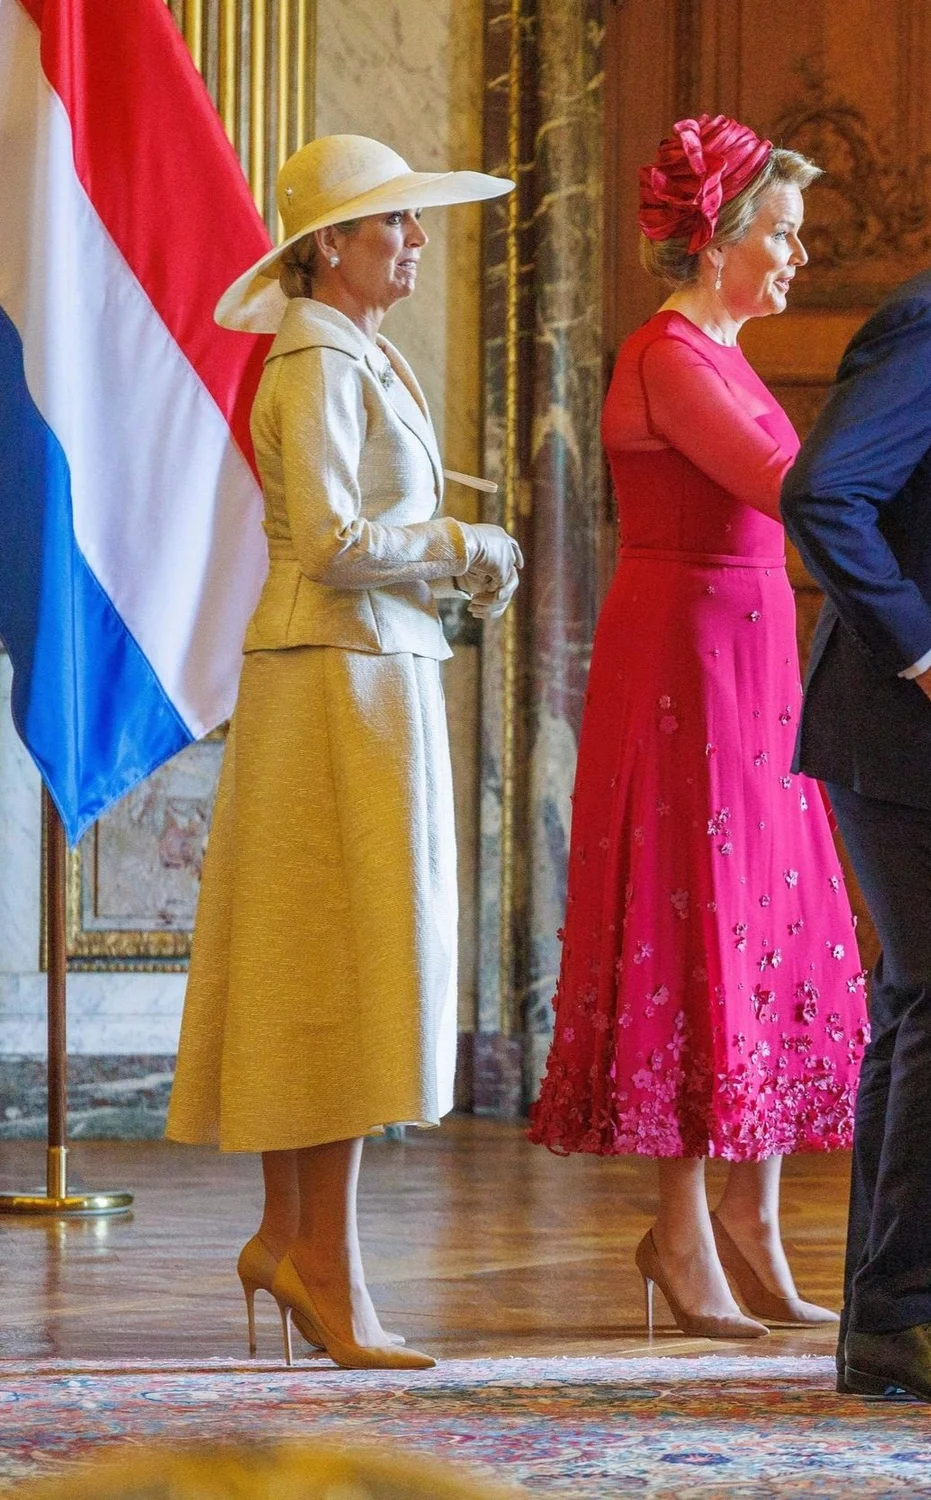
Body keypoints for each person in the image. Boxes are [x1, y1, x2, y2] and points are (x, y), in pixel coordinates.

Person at [165, 134, 520, 1371]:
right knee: (340, 967)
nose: (414, 242)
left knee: (336, 967)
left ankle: (293, 1241)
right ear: (328, 247)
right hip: (334, 680)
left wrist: (449, 561)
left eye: (415, 225)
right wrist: (465, 548)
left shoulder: (356, 350)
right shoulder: (316, 357)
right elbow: (326, 539)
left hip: (367, 679)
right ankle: (318, 1262)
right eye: (393, 226)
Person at [529, 115, 868, 1340]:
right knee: (696, 916)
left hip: (750, 657)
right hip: (682, 663)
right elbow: (792, 491)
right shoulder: (671, 354)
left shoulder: (719, 348)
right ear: (719, 238)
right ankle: (679, 1232)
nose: (794, 258)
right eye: (777, 233)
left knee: (766, 919)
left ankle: (750, 1227)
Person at [781, 111, 931, 1404]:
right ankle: (898, 1313)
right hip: (912, 733)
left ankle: (885, 1314)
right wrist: (925, 647)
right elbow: (826, 491)